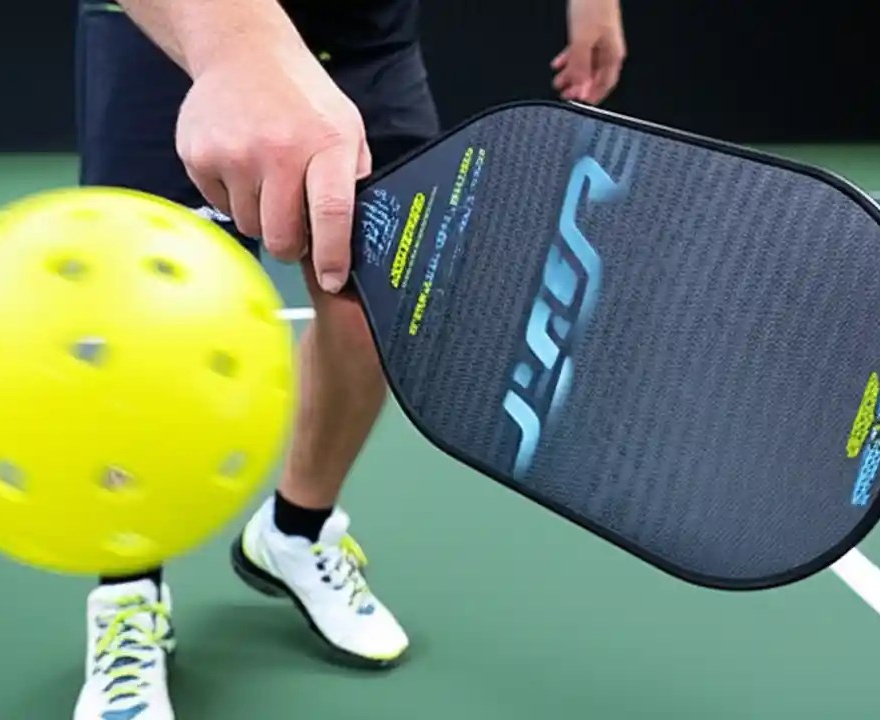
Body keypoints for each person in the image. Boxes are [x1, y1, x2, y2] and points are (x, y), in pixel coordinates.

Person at [72, 0, 626, 716]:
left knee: (379, 309)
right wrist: (236, 46)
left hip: (364, 31)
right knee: (145, 321)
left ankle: (294, 534)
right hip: (177, 27)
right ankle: (127, 590)